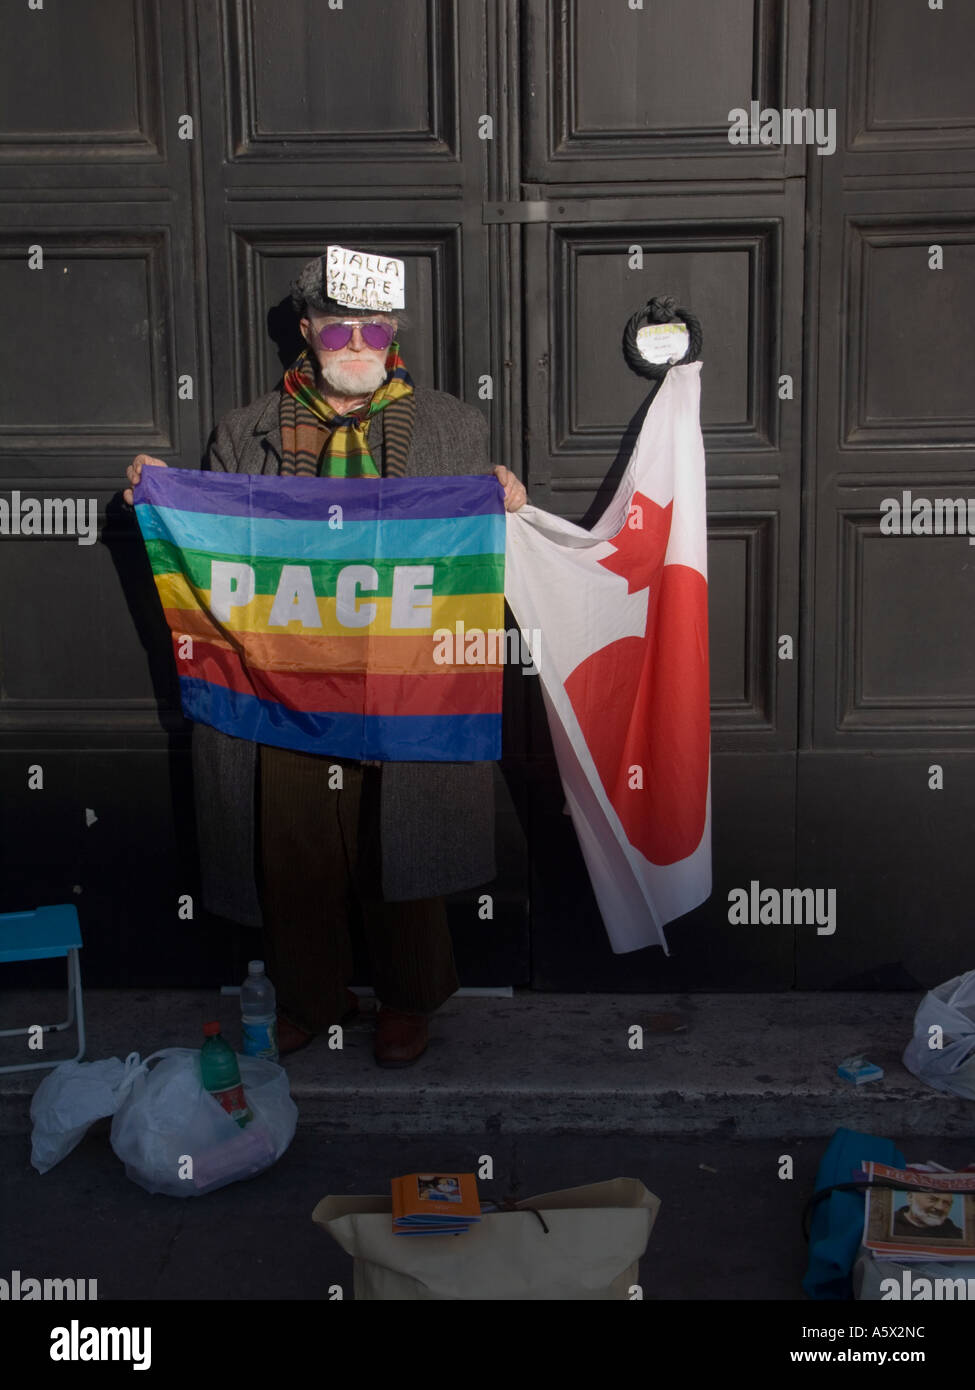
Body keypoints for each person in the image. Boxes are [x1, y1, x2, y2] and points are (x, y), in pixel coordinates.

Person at [123, 251, 526, 1066]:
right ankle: (311, 998)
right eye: (336, 325)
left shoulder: (452, 425)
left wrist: (502, 501)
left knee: (398, 840)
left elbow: (465, 550)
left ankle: (409, 1000)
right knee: (294, 845)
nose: (355, 340)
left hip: (405, 674)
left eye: (371, 326)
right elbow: (218, 541)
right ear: (307, 331)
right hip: (287, 674)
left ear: (392, 332)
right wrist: (160, 492)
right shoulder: (245, 429)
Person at [891, 1191, 964, 1240]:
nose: (940, 1207)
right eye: (932, 1199)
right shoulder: (888, 1224)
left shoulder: (955, 1234)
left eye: (946, 1203)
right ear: (910, 1197)